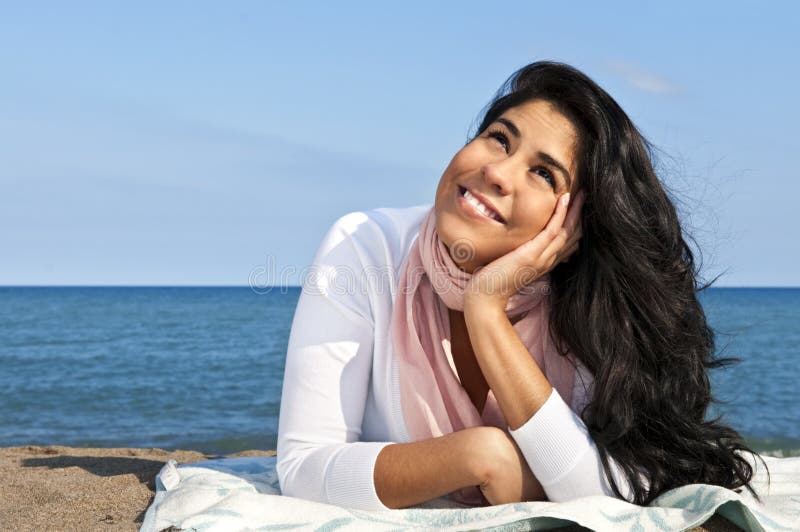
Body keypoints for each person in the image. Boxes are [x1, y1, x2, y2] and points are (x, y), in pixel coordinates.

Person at [276, 61, 760, 510]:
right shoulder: (365, 247)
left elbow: (619, 491)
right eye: (498, 139)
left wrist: (486, 308)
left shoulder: (590, 307)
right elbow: (302, 468)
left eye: (543, 173)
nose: (496, 172)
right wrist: (480, 456)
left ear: (577, 222)